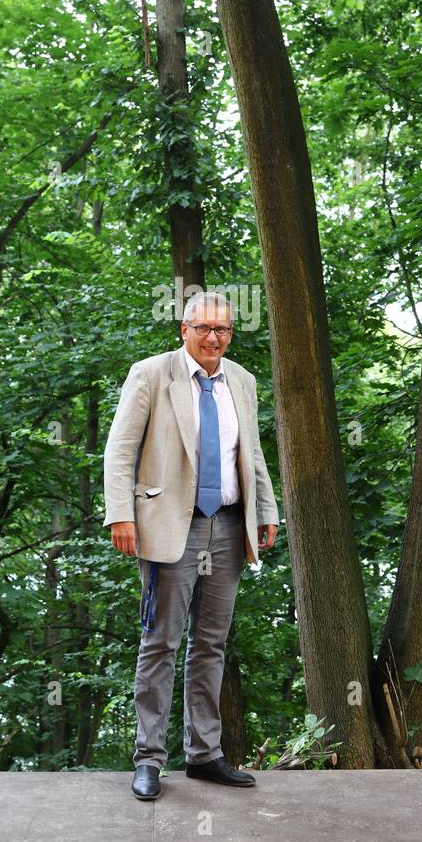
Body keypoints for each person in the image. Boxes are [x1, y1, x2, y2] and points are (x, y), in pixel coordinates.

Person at [103, 291, 280, 799]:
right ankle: (149, 759)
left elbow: (252, 455)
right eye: (203, 328)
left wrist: (265, 510)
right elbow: (120, 451)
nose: (213, 338)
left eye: (222, 330)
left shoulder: (241, 382)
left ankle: (204, 754)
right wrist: (121, 514)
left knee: (212, 644)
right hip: (167, 528)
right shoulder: (153, 374)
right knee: (160, 644)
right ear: (184, 329)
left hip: (226, 527)